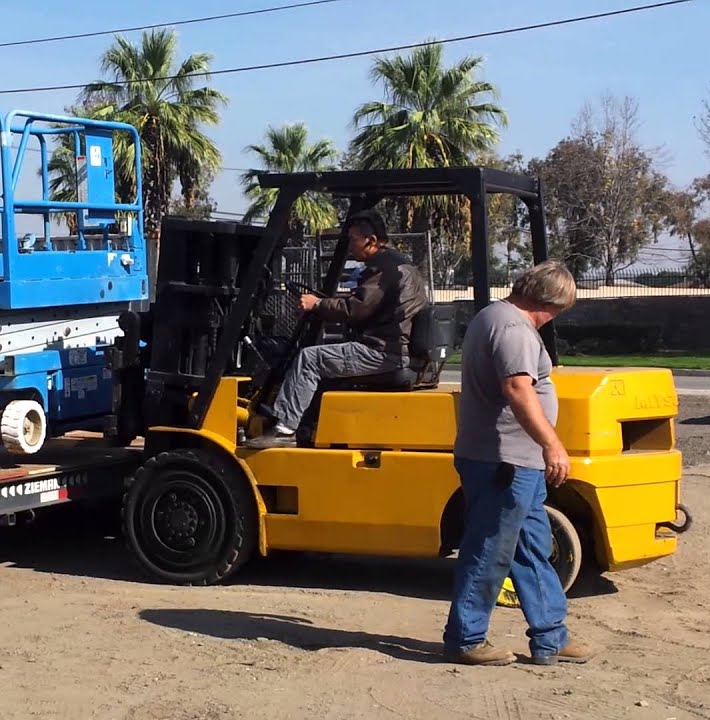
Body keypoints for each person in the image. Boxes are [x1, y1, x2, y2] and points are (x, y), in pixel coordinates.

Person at [443, 260, 596, 667]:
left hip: (514, 462)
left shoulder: (494, 317)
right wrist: (553, 445)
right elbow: (517, 388)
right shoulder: (513, 328)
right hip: (504, 462)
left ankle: (550, 635)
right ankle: (466, 638)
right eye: (558, 311)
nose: (554, 320)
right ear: (548, 301)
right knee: (489, 550)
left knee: (531, 548)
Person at [248, 210, 428, 448]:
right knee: (323, 356)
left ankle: (285, 427)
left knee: (309, 359)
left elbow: (357, 308)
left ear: (371, 241)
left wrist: (318, 304)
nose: (349, 247)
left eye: (352, 240)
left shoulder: (384, 268)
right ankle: (309, 426)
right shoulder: (401, 264)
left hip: (383, 351)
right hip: (394, 348)